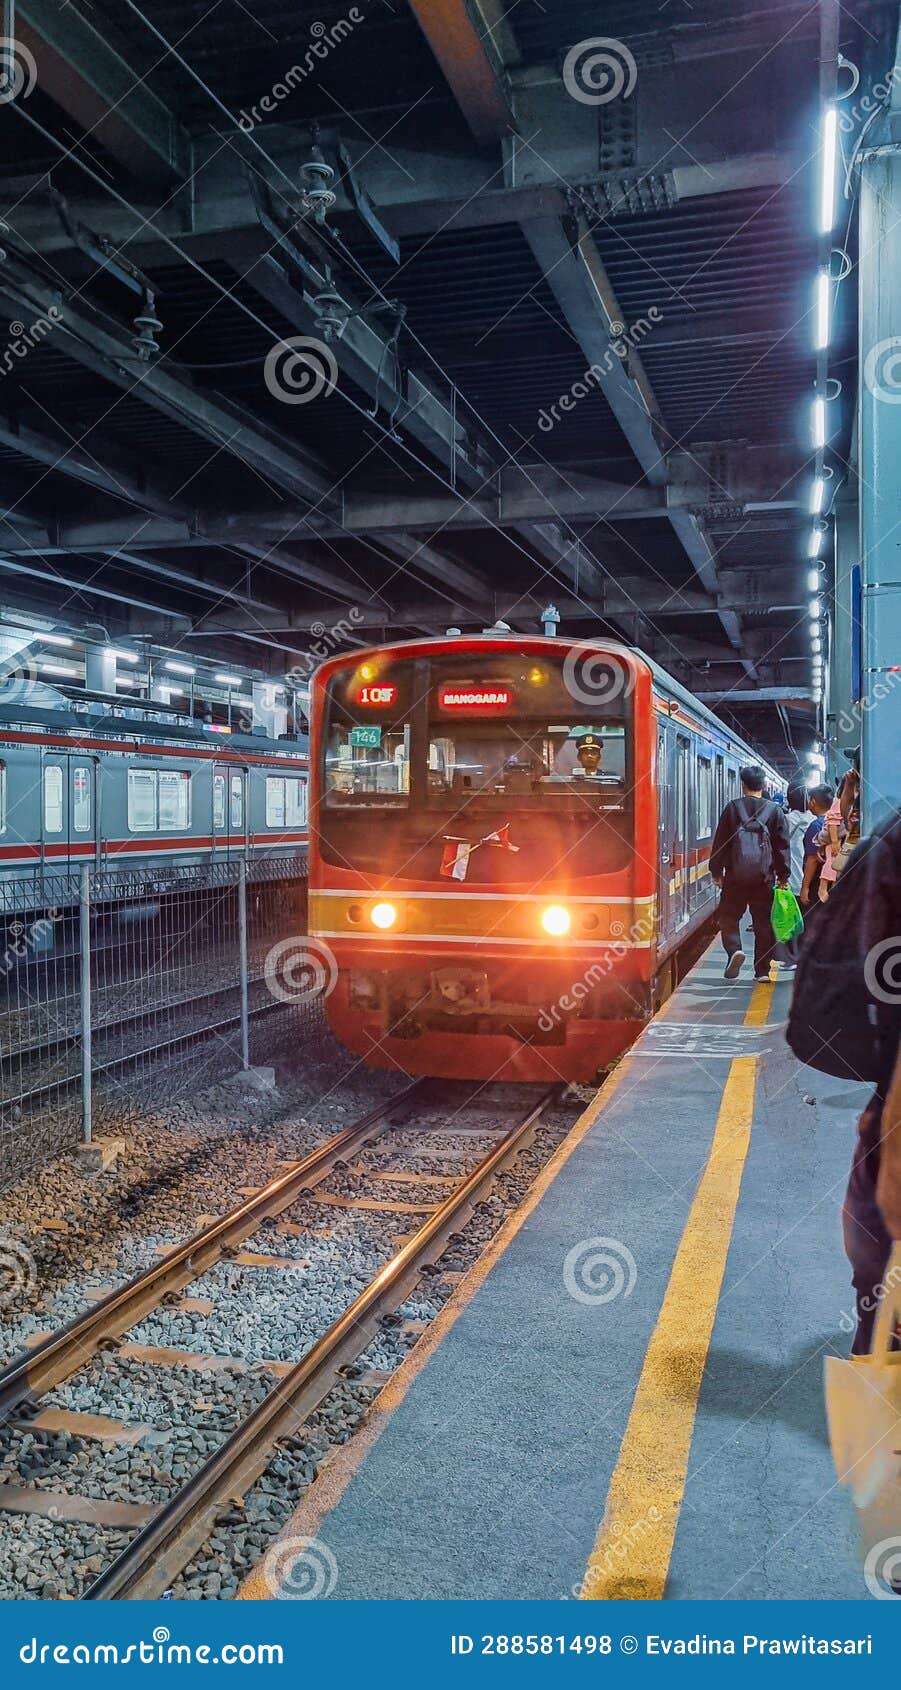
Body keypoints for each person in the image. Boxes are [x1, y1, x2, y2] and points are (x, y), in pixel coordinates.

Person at [709, 763, 791, 981]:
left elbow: (721, 842)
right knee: (763, 922)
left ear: (742, 785)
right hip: (764, 878)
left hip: (735, 875)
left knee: (728, 916)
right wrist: (783, 876)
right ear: (764, 785)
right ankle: (762, 971)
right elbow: (782, 846)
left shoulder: (733, 808)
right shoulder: (775, 811)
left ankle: (734, 949)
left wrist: (716, 870)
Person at [798, 783, 833, 914]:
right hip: (831, 880)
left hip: (817, 882)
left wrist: (805, 887)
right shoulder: (836, 822)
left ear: (812, 802)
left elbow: (812, 859)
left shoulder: (816, 825)